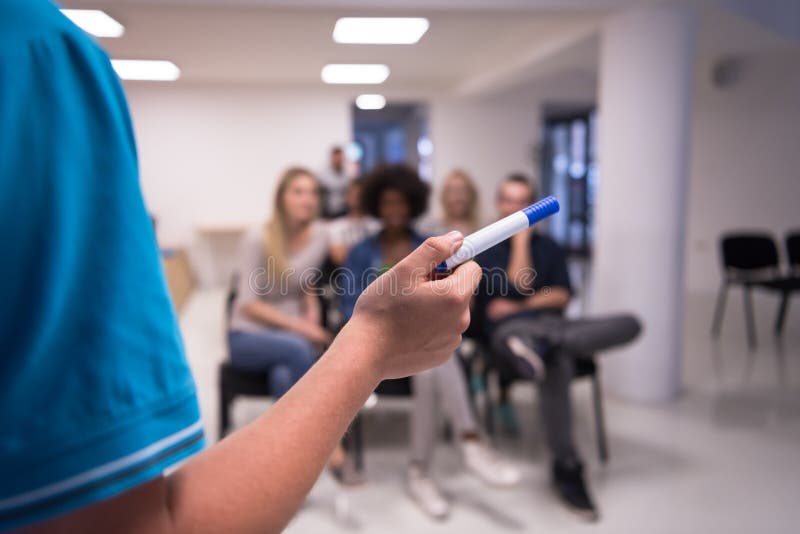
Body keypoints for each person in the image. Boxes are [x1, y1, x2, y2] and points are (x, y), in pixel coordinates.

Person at [0, 2, 481, 531]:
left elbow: (336, 267)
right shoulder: (45, 54)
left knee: (286, 367)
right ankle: (334, 457)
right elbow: (252, 303)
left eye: (311, 192)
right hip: (250, 328)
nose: (306, 199)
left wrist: (374, 256)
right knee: (296, 348)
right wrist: (357, 339)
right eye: (296, 192)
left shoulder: (325, 235)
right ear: (281, 197)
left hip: (287, 336)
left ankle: (296, 461)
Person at [339, 164, 520, 521]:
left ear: (413, 205)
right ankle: (465, 443)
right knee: (435, 361)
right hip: (379, 343)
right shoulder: (361, 253)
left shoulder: (427, 245)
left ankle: (422, 470)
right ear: (376, 205)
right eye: (387, 203)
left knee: (432, 365)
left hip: (421, 341)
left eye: (401, 203)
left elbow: (443, 297)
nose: (394, 211)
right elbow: (351, 309)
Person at [475, 174, 641, 521]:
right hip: (506, 336)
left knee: (630, 323)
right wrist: (520, 245)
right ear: (498, 205)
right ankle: (567, 466)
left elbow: (563, 295)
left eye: (524, 203)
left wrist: (521, 305)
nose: (516, 209)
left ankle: (541, 345)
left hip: (550, 327)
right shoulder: (487, 248)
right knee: (558, 360)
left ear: (537, 209)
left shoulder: (550, 248)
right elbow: (518, 284)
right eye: (509, 201)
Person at [327, 178, 381, 266]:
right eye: (352, 193)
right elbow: (339, 258)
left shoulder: (378, 225)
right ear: (346, 197)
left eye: (360, 194)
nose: (357, 197)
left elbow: (381, 257)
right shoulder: (336, 226)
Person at [317, 146, 351, 219]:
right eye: (336, 157)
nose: (338, 160)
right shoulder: (323, 175)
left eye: (340, 157)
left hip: (343, 211)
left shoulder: (347, 175)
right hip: (327, 212)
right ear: (332, 158)